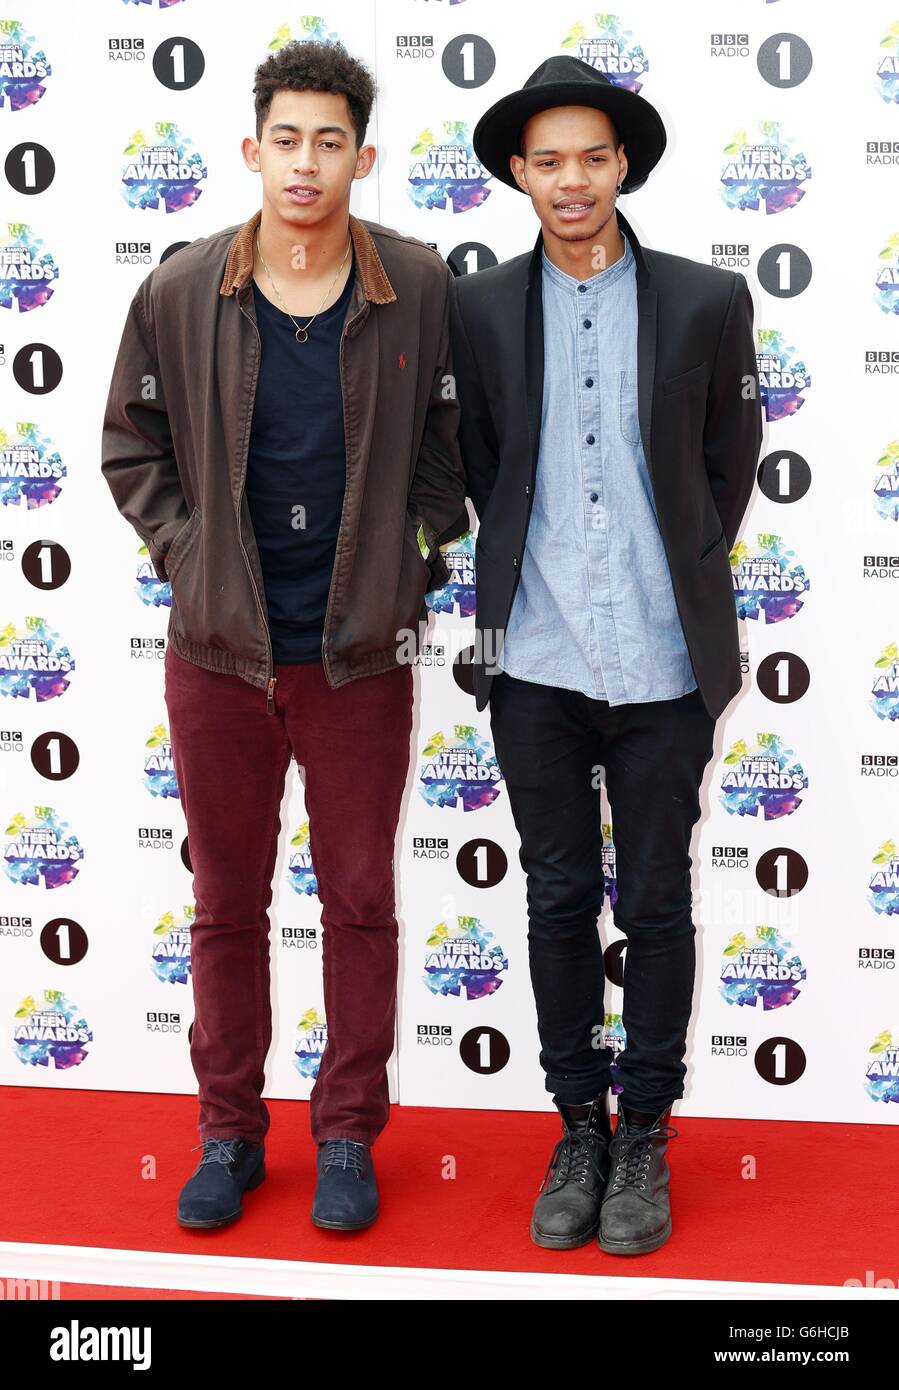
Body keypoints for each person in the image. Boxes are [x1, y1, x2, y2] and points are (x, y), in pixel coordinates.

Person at [101, 39, 468, 1234]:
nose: (305, 162)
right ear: (251, 149)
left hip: (353, 655)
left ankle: (348, 1132)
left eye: (330, 140)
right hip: (220, 654)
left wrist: (410, 555)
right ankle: (227, 1131)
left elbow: (448, 460)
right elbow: (130, 446)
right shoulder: (178, 289)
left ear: (361, 156)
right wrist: (188, 555)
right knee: (225, 902)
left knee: (359, 895)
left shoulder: (415, 286)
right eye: (285, 138)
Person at [450, 55, 762, 1255]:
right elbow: (480, 461)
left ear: (621, 163)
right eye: (547, 161)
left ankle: (645, 1133)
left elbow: (723, 466)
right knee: (555, 896)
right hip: (532, 656)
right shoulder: (476, 308)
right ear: (518, 176)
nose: (570, 179)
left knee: (660, 897)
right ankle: (575, 1120)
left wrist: (667, 571)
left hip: (665, 665)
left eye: (591, 156)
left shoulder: (701, 298)